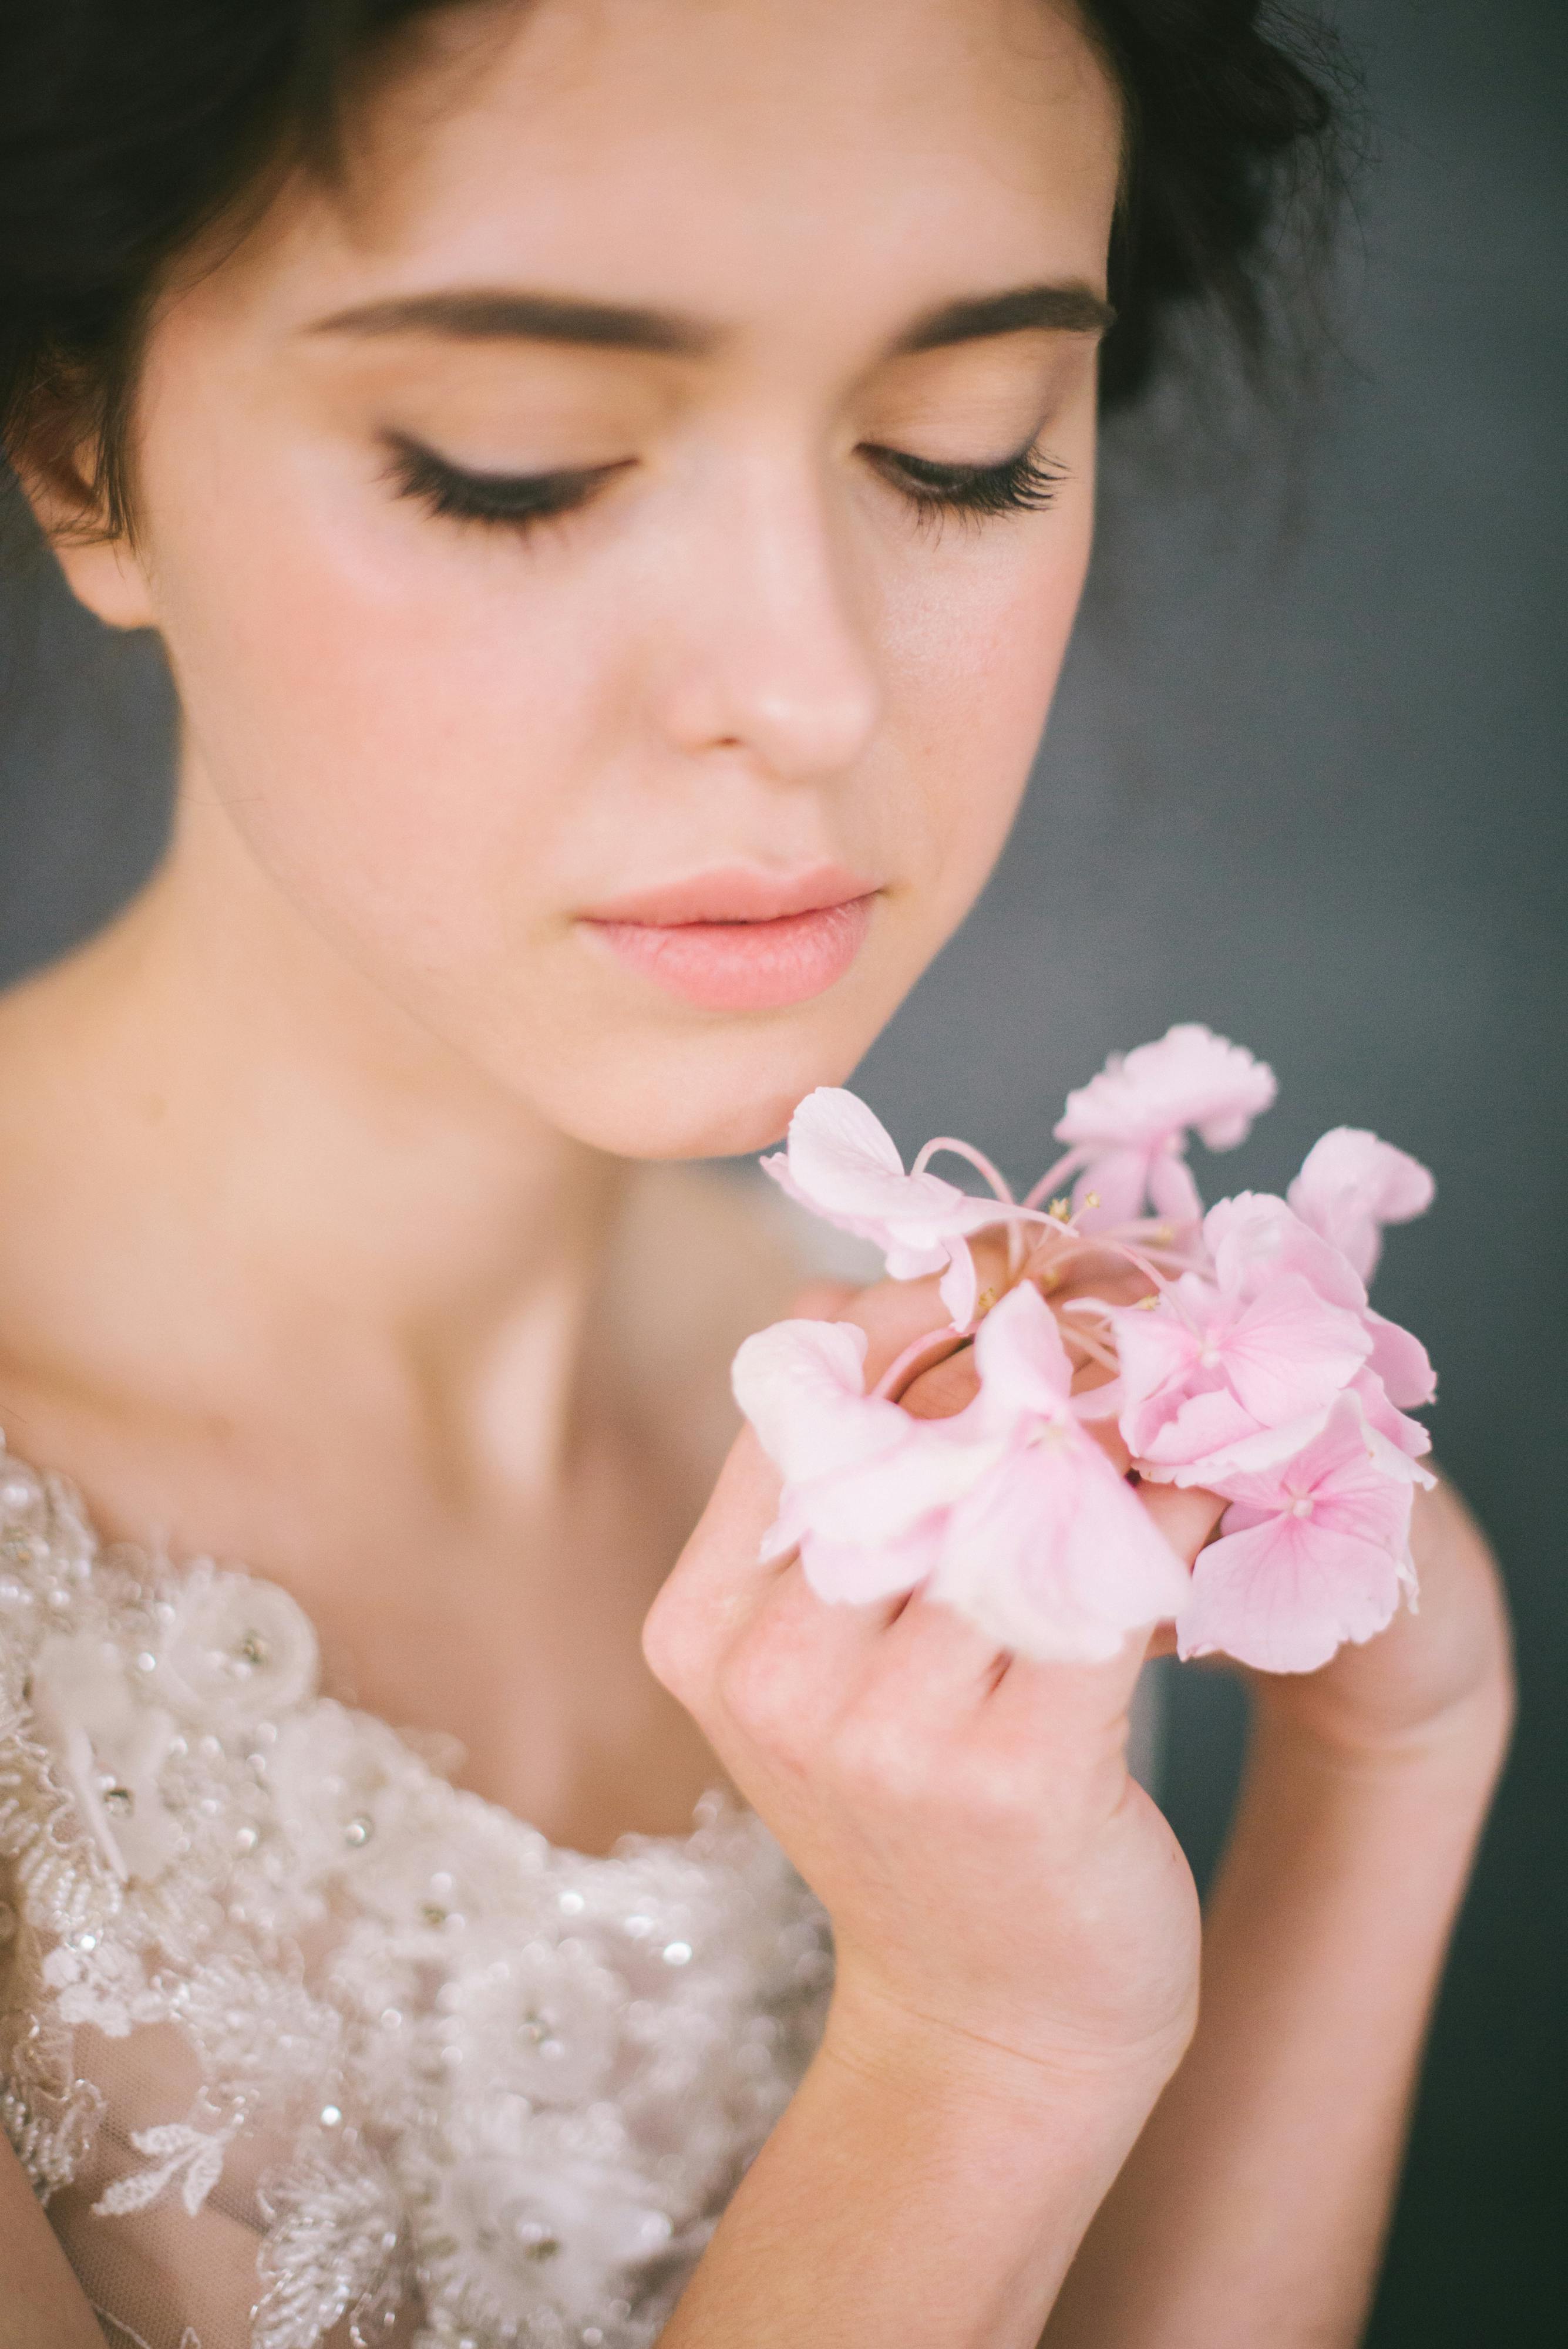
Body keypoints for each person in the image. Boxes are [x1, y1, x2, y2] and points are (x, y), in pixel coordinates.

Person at [0, 3, 1513, 2344]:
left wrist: (1384, 1762)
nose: (804, 688)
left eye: (959, 449)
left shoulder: (970, 1417)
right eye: (520, 465)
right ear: (78, 442)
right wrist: (978, 2051)